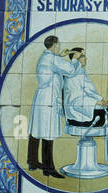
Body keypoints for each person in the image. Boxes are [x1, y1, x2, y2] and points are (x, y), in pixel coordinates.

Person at [27, 35, 78, 178]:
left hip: (41, 97)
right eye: (59, 44)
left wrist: (60, 56)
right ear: (54, 45)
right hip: (49, 97)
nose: (60, 47)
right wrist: (74, 59)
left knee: (37, 130)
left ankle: (32, 161)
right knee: (48, 132)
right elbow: (70, 70)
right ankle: (48, 168)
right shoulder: (54, 59)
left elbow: (55, 65)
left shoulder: (45, 57)